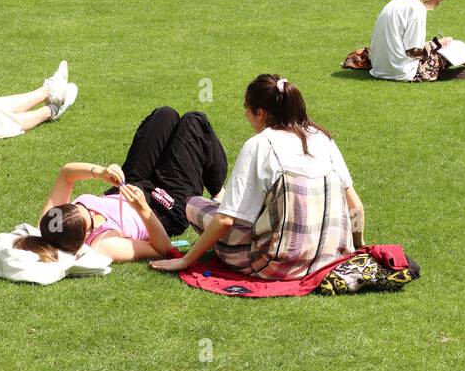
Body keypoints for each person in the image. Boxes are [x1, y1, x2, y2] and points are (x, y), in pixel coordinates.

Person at [149, 75, 365, 279]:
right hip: (331, 258)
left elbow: (225, 220)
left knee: (194, 205)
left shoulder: (260, 144)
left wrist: (186, 260)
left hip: (275, 265)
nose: (246, 114)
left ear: (260, 113)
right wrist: (358, 246)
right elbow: (355, 205)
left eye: (247, 108)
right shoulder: (321, 138)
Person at [13, 106, 227, 263]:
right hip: (163, 208)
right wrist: (142, 208)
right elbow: (162, 249)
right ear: (85, 235)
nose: (87, 208)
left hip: (126, 186)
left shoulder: (50, 222)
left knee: (164, 115)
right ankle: (218, 191)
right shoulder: (105, 244)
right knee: (194, 122)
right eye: (89, 216)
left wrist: (100, 172)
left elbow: (66, 174)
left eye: (80, 205)